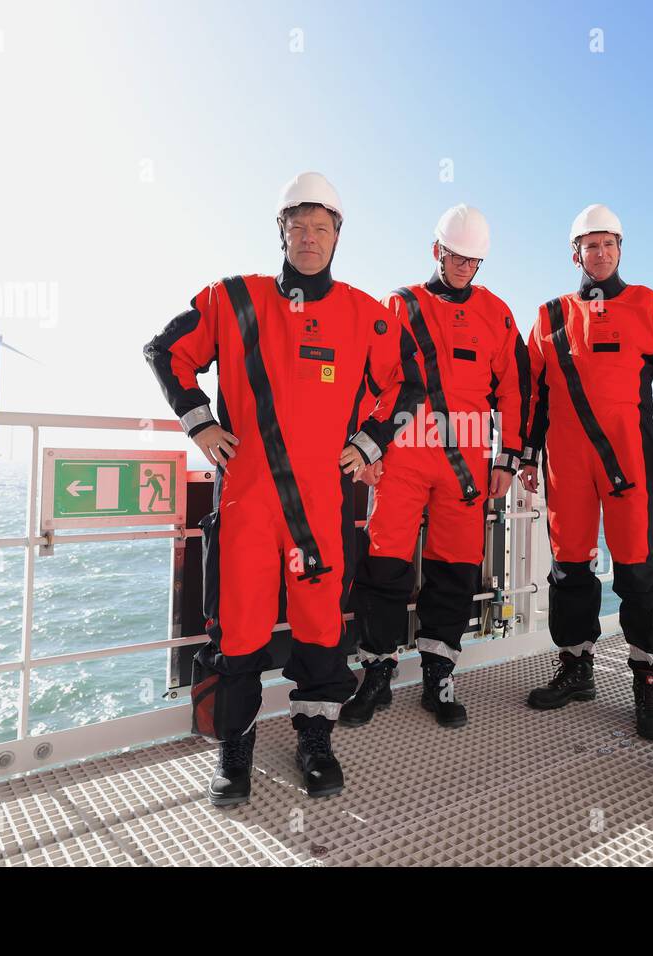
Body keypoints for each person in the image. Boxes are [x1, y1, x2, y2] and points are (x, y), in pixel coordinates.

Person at [143, 171, 424, 805]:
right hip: (246, 505)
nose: (308, 238)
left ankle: (314, 739)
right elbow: (165, 352)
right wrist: (200, 423)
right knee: (238, 629)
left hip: (321, 509)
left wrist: (370, 444)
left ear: (337, 236)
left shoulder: (364, 314)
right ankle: (234, 750)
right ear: (281, 232)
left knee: (322, 627)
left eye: (321, 228)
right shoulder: (232, 299)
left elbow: (408, 384)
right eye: (297, 226)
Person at [340, 205, 528, 729]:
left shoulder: (499, 314)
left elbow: (514, 389)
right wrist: (365, 450)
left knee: (454, 572)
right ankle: (376, 672)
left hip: (465, 467)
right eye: (455, 256)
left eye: (473, 260)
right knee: (384, 566)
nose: (464, 267)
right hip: (401, 457)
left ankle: (438, 675)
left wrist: (508, 458)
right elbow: (367, 380)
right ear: (435, 250)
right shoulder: (398, 305)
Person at [518, 204, 653, 740]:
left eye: (609, 244)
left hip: (631, 463)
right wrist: (524, 454)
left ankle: (650, 686)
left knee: (639, 572)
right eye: (590, 246)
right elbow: (530, 395)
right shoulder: (549, 316)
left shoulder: (649, 307)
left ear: (620, 250)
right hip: (564, 467)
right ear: (576, 254)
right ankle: (576, 669)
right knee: (568, 571)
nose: (600, 253)